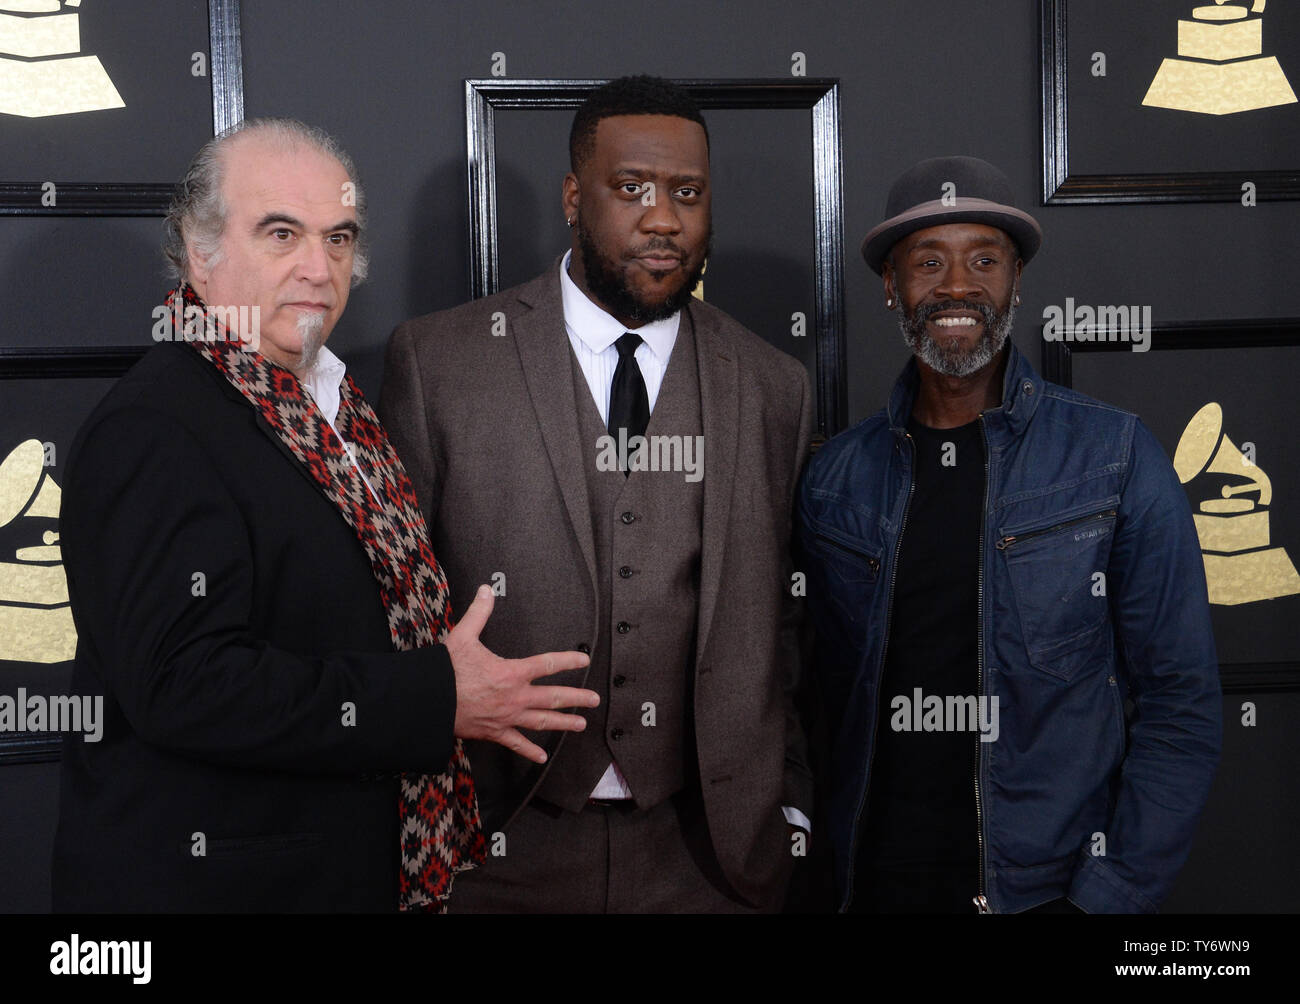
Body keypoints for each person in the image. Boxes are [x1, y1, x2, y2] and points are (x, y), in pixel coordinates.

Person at [51, 117, 598, 913]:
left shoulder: (331, 406)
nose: (318, 268)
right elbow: (182, 684)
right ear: (200, 253)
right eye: (281, 233)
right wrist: (435, 697)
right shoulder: (157, 426)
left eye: (337, 238)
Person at [380, 76, 814, 912]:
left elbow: (787, 624)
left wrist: (785, 800)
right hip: (498, 843)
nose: (663, 218)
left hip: (706, 854)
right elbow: (389, 604)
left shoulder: (772, 385)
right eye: (632, 189)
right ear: (576, 198)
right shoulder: (441, 364)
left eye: (687, 193)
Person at [796, 156, 1221, 914]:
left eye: (984, 260)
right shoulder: (836, 479)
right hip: (875, 885)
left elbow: (1180, 700)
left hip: (1047, 893)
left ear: (1016, 282)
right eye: (929, 262)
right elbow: (806, 701)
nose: (957, 286)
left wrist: (1111, 893)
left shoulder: (1115, 458)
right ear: (892, 286)